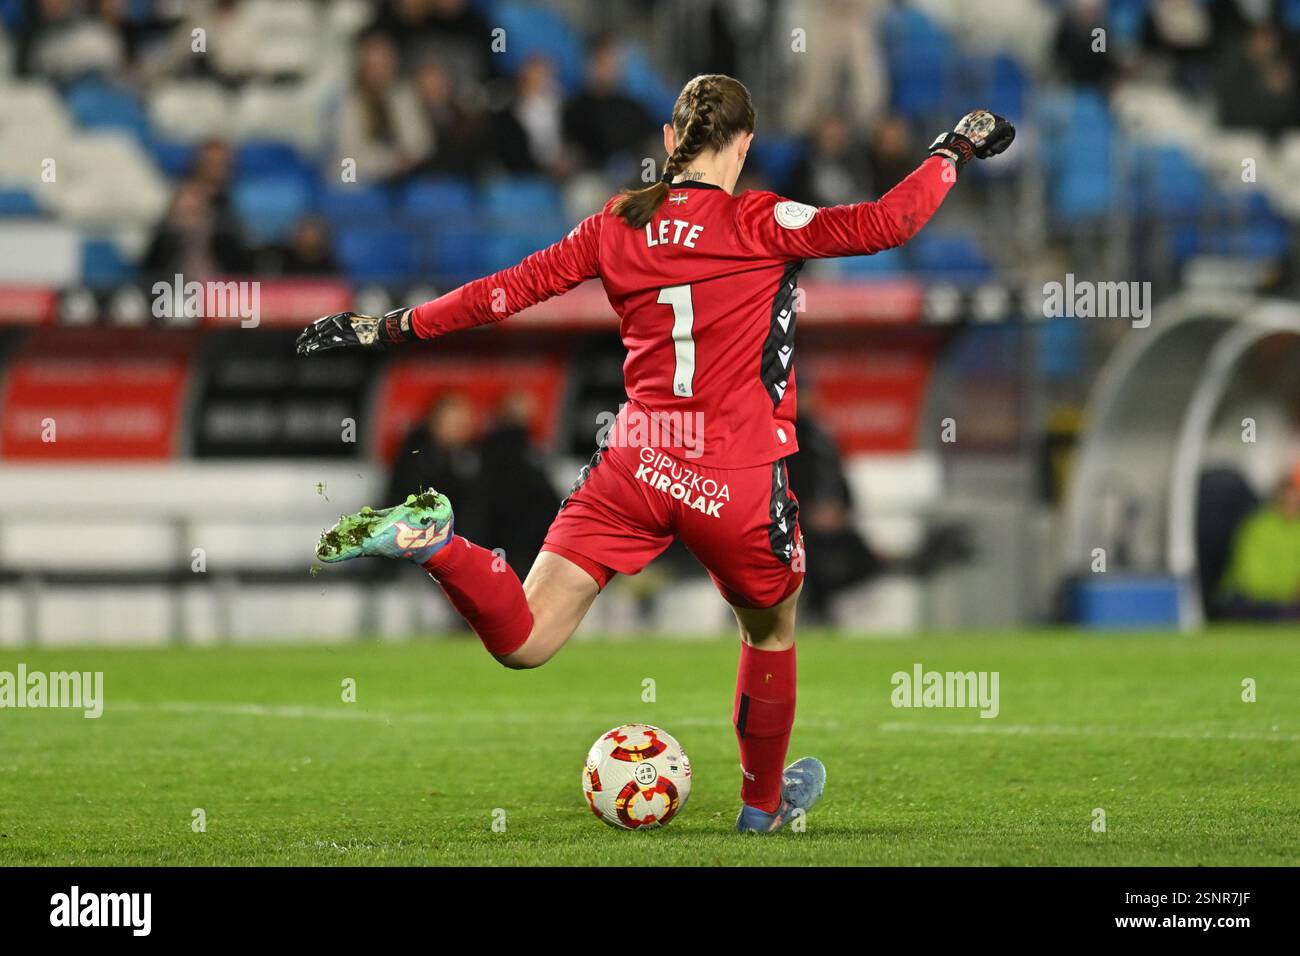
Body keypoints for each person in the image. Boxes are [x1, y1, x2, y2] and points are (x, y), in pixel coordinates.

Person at [297, 75, 1014, 833]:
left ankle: (437, 544)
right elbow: (886, 222)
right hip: (733, 476)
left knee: (529, 640)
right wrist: (952, 149)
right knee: (769, 631)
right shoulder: (762, 219)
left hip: (638, 461)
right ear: (743, 146)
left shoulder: (615, 223)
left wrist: (392, 328)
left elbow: (502, 293)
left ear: (670, 143)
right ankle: (762, 808)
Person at [1218, 468, 1300, 619]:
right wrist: (1283, 593)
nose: (1292, 502)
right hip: (1253, 599)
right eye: (1289, 497)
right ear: (1279, 496)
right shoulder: (1258, 525)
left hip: (1289, 602)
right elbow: (1250, 573)